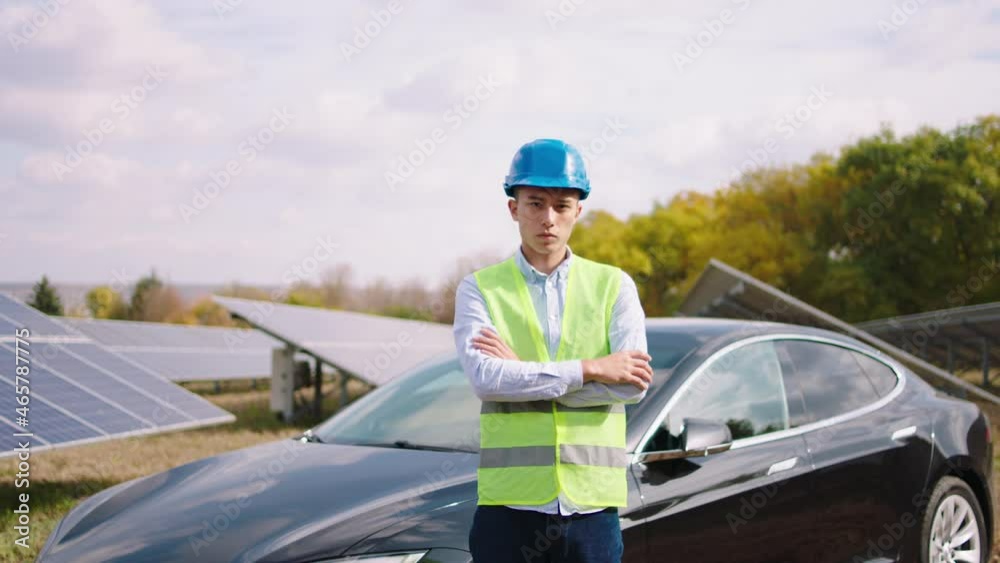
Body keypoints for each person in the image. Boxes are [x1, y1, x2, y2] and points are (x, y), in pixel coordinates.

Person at [453, 138, 653, 562]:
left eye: (562, 205)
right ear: (514, 208)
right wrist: (592, 368)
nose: (548, 218)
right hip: (508, 510)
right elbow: (486, 380)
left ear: (578, 211)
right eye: (535, 203)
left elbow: (632, 386)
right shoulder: (480, 289)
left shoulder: (615, 286)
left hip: (592, 513)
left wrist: (522, 375)